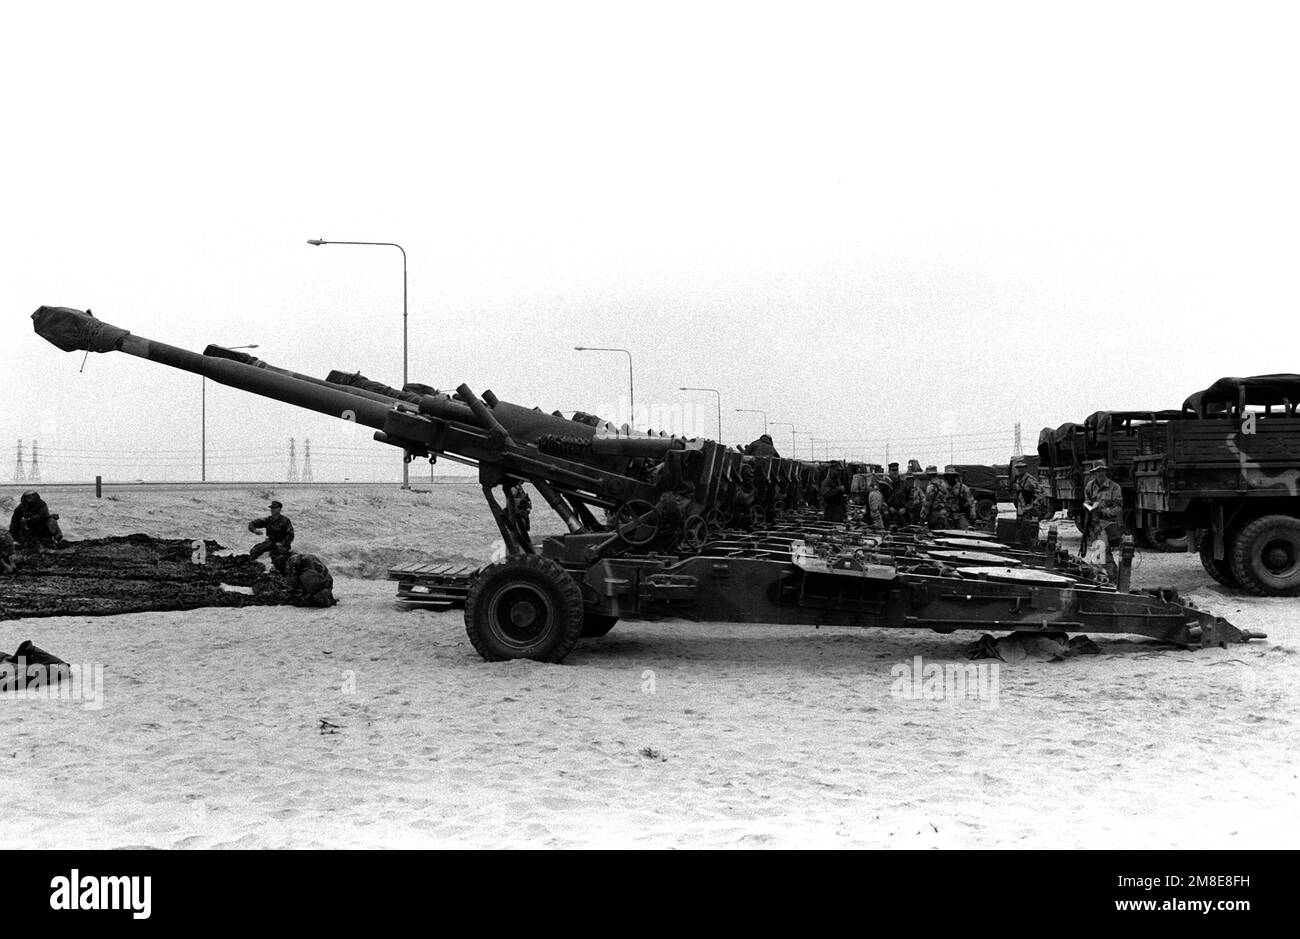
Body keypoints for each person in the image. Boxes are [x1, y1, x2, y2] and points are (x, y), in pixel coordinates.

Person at [1083, 459, 1124, 580]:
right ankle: (1114, 576)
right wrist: (1089, 507)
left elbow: (1118, 508)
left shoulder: (1114, 487)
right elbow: (1086, 502)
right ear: (1094, 473)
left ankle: (1097, 574)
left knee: (1100, 550)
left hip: (1109, 524)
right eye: (1098, 471)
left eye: (1102, 471)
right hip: (1094, 525)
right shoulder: (1090, 487)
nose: (1101, 473)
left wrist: (1104, 511)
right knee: (1104, 553)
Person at [272, 548, 337, 607]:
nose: (273, 563)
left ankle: (320, 600)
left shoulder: (291, 562)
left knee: (293, 598)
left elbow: (292, 584)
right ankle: (324, 598)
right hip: (327, 585)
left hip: (317, 590)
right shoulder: (304, 557)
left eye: (274, 560)